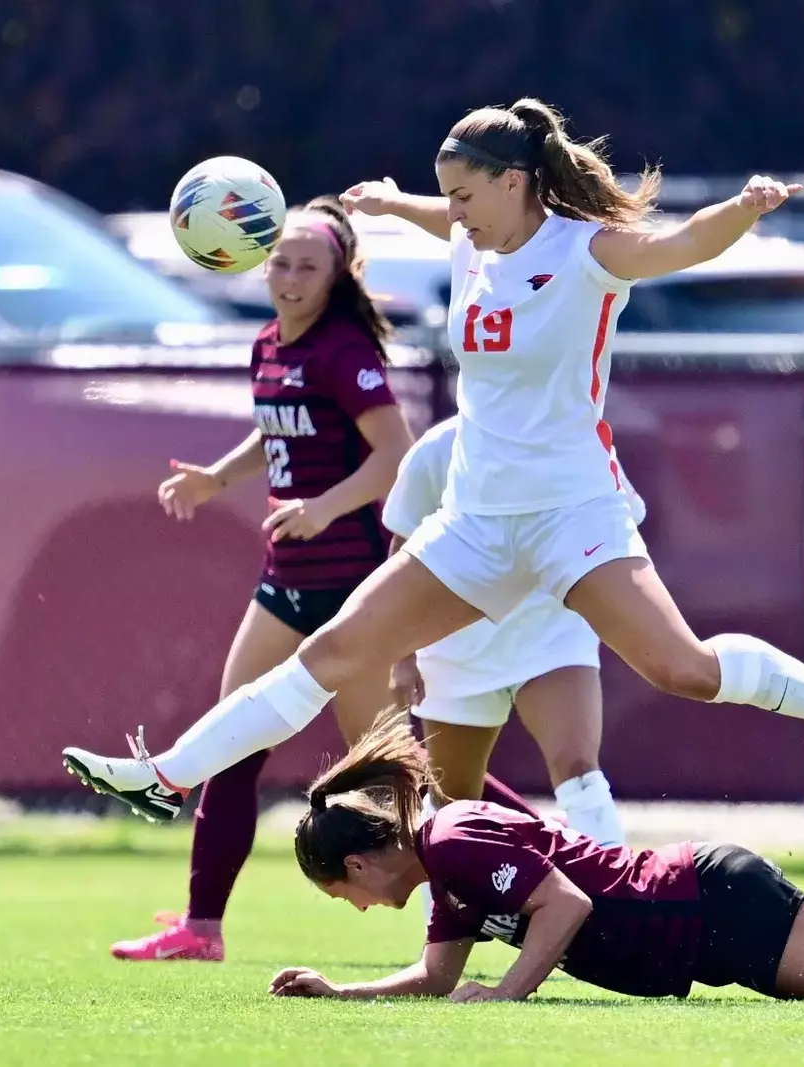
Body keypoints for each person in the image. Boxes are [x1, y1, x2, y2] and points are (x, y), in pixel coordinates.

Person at [62, 97, 804, 825]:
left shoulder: (585, 251)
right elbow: (439, 217)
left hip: (572, 512)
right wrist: (391, 203)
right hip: (476, 520)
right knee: (335, 652)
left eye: (465, 194)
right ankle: (166, 774)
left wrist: (743, 209)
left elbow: (679, 247)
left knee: (684, 669)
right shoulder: (473, 239)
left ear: (515, 183)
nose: (455, 212)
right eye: (448, 197)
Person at [107, 198, 532, 963]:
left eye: (309, 266)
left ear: (338, 276)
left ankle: (547, 857)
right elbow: (275, 425)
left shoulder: (343, 350)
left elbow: (395, 453)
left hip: (350, 587)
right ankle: (201, 927)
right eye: (281, 262)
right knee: (233, 741)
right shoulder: (269, 342)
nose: (291, 277)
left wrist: (323, 506)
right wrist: (216, 478)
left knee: (402, 770)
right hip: (286, 581)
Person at [268, 719, 804, 1003]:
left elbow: (566, 904)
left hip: (703, 908)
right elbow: (437, 977)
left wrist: (505, 993)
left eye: (341, 894)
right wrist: (340, 989)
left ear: (360, 865)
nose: (357, 907)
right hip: (708, 892)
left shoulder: (450, 841)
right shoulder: (447, 869)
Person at [385, 416, 639, 847]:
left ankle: (620, 890)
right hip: (456, 648)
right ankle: (445, 895)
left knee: (580, 774)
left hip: (552, 632)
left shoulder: (578, 437)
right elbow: (402, 555)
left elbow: (619, 530)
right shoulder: (436, 449)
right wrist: (402, 655)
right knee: (452, 805)